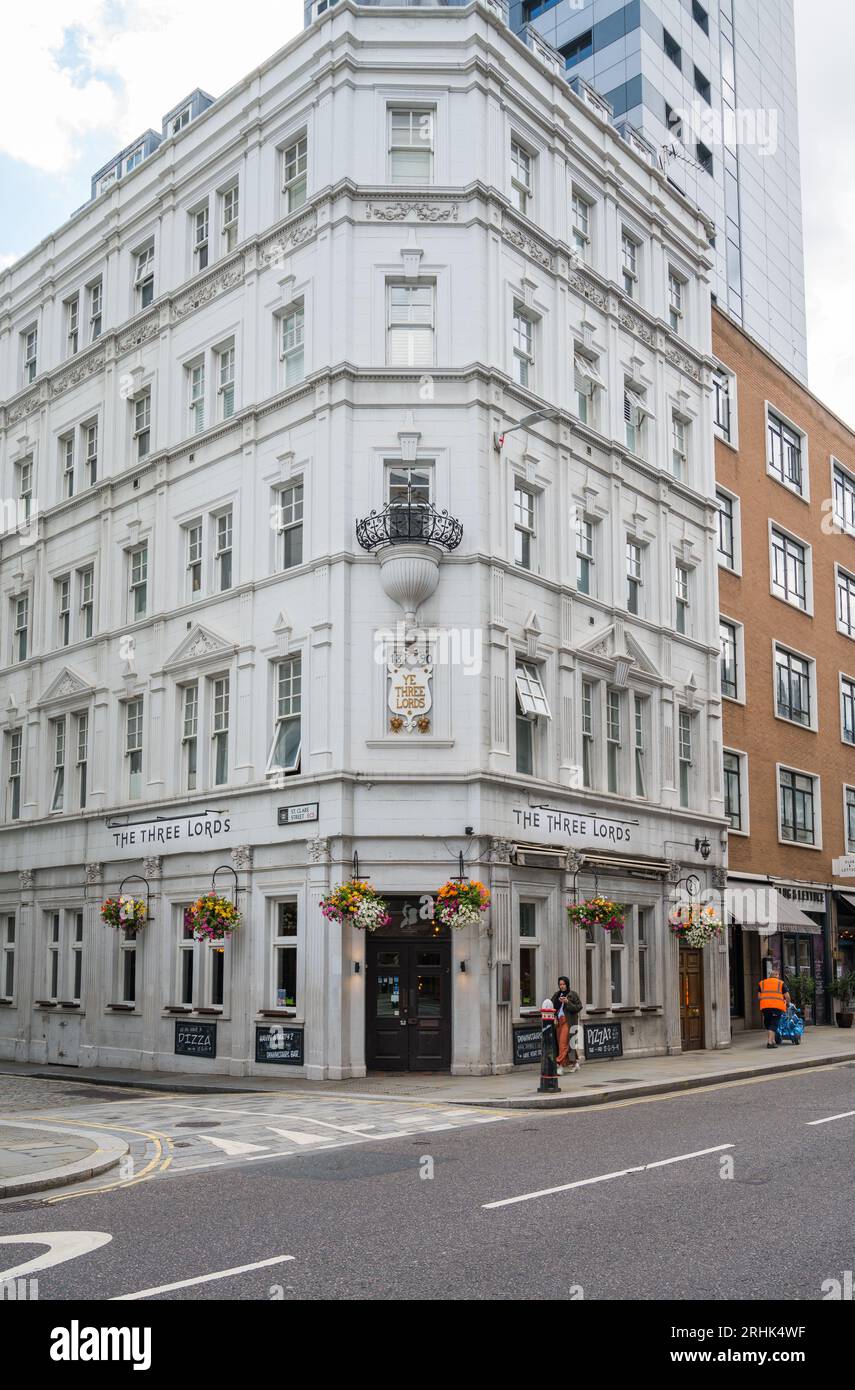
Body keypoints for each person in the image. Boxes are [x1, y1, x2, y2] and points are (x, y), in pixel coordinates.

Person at [552, 976, 583, 1074]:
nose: (562, 986)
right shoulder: (556, 995)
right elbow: (552, 1006)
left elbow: (579, 1007)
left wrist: (567, 1002)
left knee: (563, 1043)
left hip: (568, 1022)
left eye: (564, 984)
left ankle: (559, 1065)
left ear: (567, 984)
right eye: (560, 984)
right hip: (558, 1022)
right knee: (564, 1044)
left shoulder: (573, 994)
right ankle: (575, 1063)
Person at [757, 968, 790, 1048]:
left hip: (765, 1007)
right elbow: (787, 996)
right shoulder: (781, 983)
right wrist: (788, 1003)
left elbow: (759, 997)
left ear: (770, 976)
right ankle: (770, 1042)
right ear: (777, 975)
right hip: (776, 1007)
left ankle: (772, 1040)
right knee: (774, 1024)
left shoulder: (762, 983)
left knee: (768, 1023)